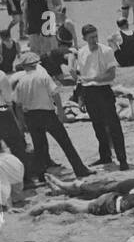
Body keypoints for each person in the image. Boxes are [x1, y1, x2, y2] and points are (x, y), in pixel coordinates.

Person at [12, 51, 91, 179]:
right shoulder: (43, 76)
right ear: (36, 64)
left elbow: (19, 105)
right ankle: (79, 169)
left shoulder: (22, 82)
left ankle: (41, 175)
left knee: (39, 147)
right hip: (47, 114)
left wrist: (21, 123)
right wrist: (60, 112)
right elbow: (55, 94)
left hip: (31, 117)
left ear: (25, 66)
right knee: (65, 143)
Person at [75, 24, 127, 170]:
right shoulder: (81, 52)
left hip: (103, 90)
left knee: (113, 126)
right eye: (90, 37)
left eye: (96, 36)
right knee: (97, 126)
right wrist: (81, 97)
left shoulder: (106, 51)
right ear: (84, 38)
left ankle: (122, 159)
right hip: (88, 92)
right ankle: (105, 156)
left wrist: (95, 78)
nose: (94, 40)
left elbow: (111, 74)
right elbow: (81, 77)